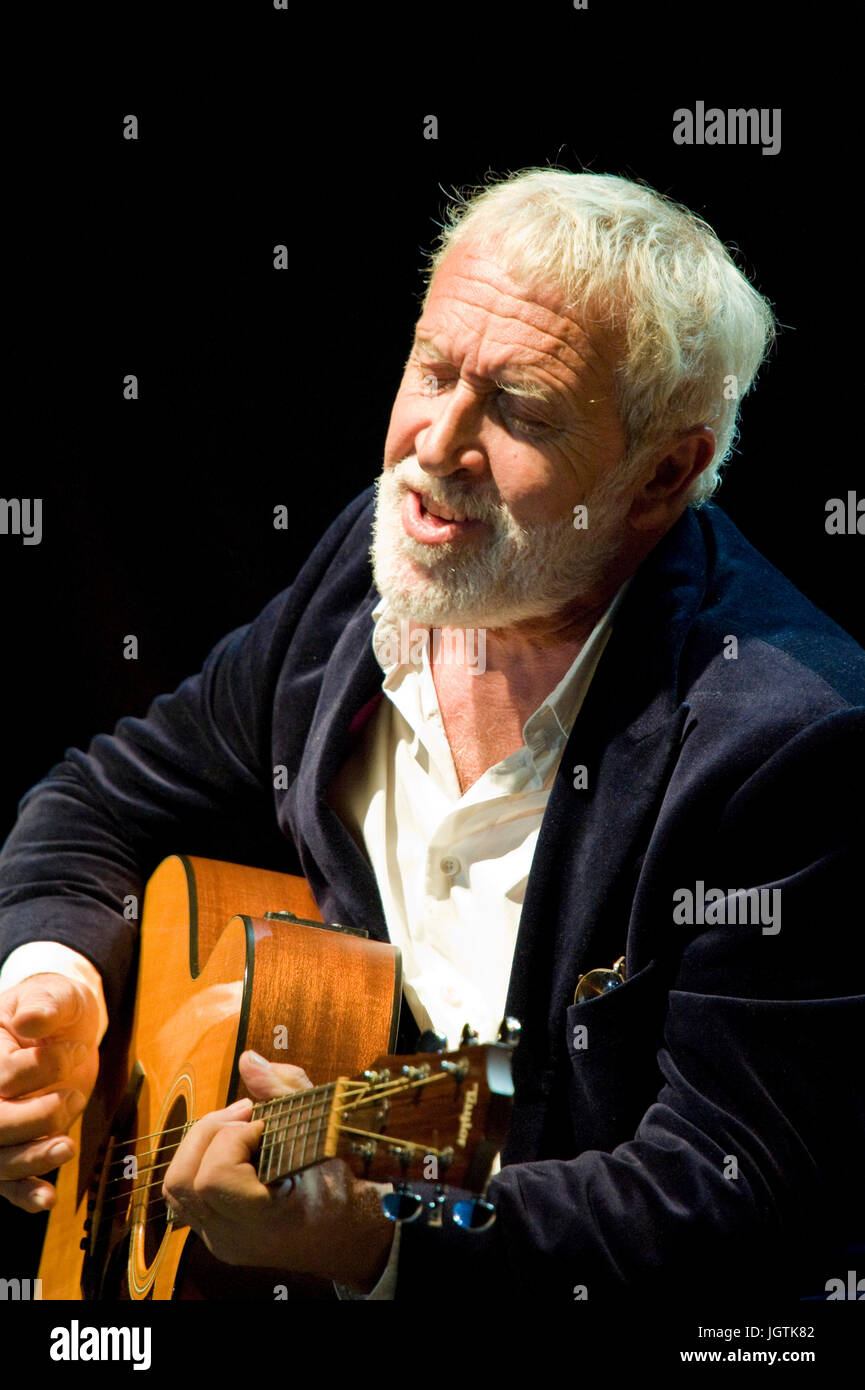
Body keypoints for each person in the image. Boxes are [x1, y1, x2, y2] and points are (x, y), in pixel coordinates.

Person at [1, 170, 862, 1303]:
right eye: (433, 368)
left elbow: (732, 1191)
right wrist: (52, 984)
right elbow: (100, 797)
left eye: (517, 409)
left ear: (664, 475)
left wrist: (374, 1242)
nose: (434, 444)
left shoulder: (793, 748)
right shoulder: (368, 585)